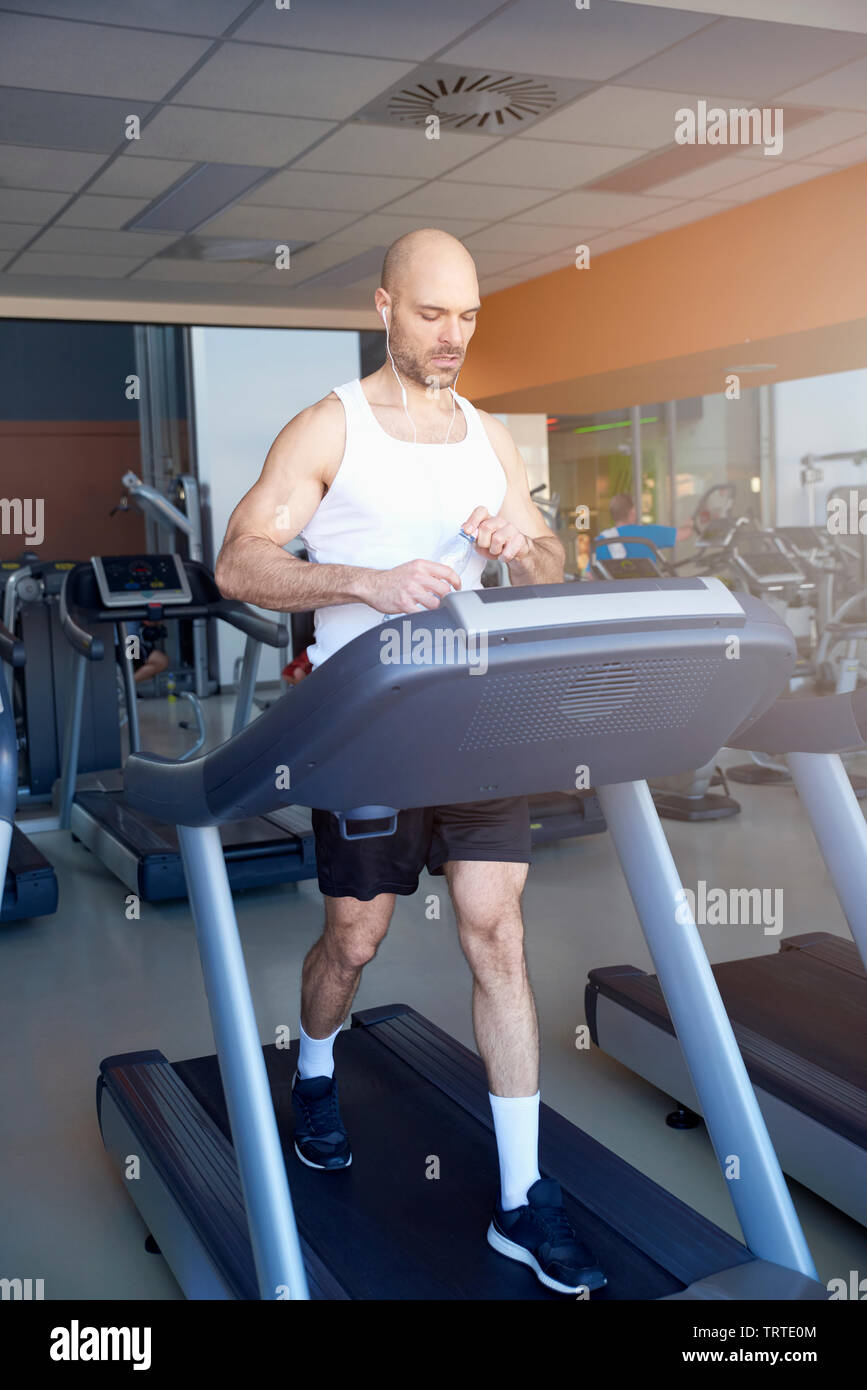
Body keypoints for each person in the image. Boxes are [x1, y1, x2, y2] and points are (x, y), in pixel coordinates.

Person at [215, 226, 606, 1296]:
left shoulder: (488, 433)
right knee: (357, 938)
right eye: (433, 313)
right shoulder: (328, 429)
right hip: (369, 734)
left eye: (469, 315)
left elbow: (546, 555)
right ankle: (318, 1065)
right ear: (383, 306)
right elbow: (240, 559)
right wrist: (363, 583)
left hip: (476, 726)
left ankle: (524, 1201)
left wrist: (518, 542)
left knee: (498, 932)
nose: (453, 336)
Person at [594, 492, 692, 562]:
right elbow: (683, 534)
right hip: (647, 590)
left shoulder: (602, 540)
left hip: (617, 590)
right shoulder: (649, 533)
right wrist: (689, 524)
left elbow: (589, 575)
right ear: (632, 511)